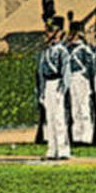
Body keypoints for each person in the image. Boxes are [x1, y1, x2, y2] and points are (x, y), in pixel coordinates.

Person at [37, 14, 72, 160]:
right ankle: (52, 149)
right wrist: (41, 91)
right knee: (49, 119)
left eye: (51, 31)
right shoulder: (45, 52)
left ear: (59, 33)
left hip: (57, 83)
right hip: (48, 85)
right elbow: (40, 72)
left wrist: (62, 89)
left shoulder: (62, 52)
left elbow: (66, 72)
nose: (48, 34)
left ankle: (63, 150)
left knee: (59, 119)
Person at [66, 20, 95, 145]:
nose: (71, 36)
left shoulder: (85, 49)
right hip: (71, 78)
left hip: (82, 78)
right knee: (75, 108)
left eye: (73, 33)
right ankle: (77, 136)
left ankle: (86, 136)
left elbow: (90, 65)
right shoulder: (67, 48)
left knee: (83, 107)